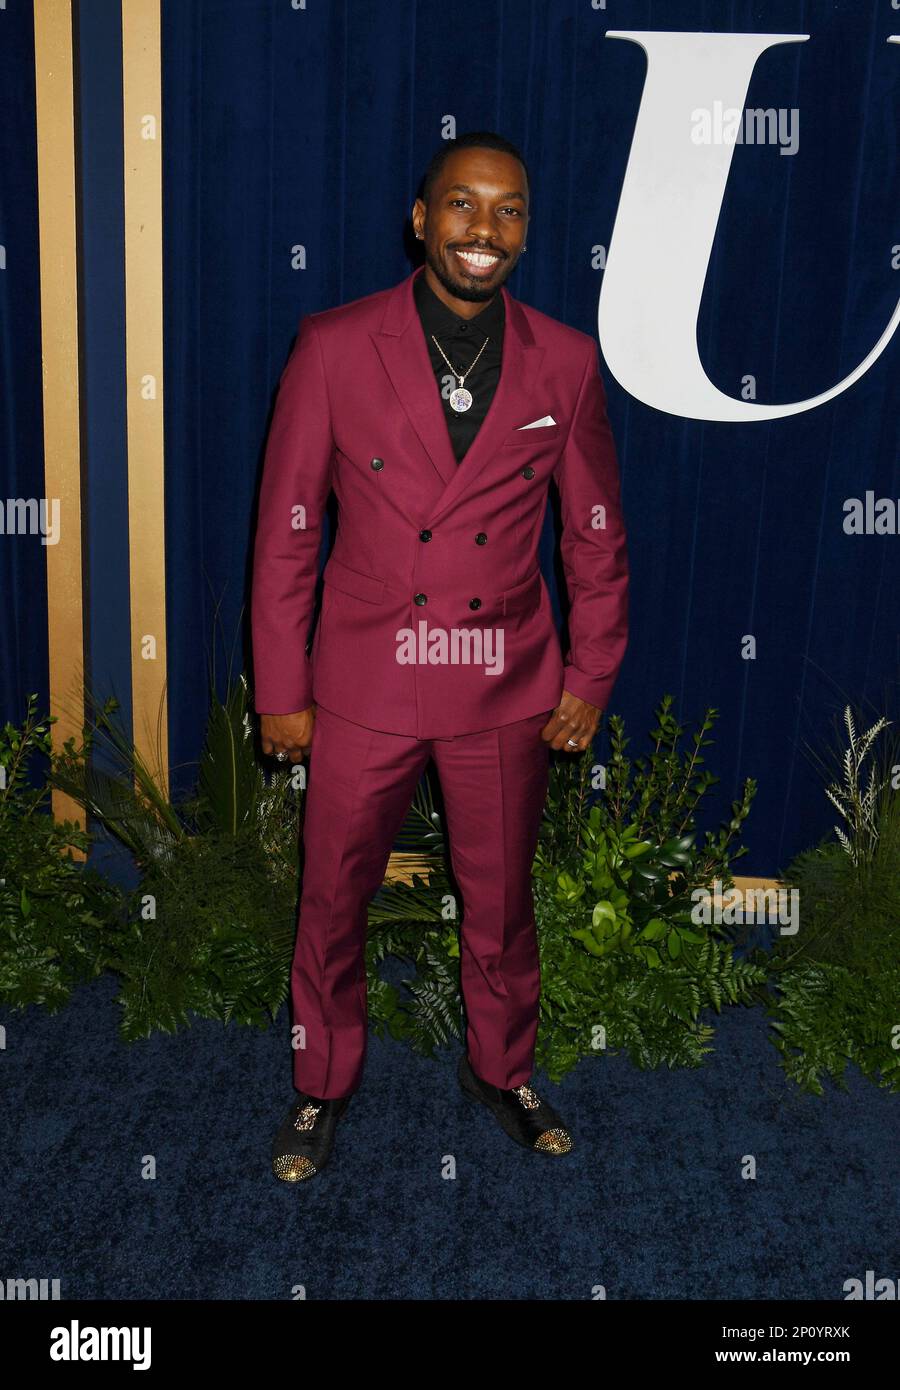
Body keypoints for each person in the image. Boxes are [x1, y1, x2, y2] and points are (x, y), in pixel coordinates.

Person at [251, 131, 629, 1183]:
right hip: (366, 682)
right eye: (463, 206)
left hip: (504, 684)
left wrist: (589, 674)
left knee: (501, 902)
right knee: (331, 896)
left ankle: (500, 1070)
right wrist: (282, 689)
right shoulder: (332, 345)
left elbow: (594, 531)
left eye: (508, 211)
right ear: (422, 219)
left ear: (526, 229)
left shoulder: (566, 359)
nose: (484, 230)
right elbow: (288, 527)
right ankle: (320, 1082)